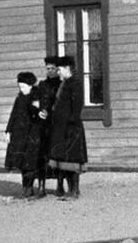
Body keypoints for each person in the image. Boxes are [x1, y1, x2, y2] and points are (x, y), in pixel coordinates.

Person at [46, 54, 88, 199]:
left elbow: (77, 106)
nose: (58, 72)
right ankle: (72, 190)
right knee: (65, 161)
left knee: (73, 160)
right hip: (62, 127)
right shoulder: (65, 83)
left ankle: (74, 191)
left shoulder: (74, 83)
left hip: (71, 127)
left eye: (59, 69)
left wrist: (71, 123)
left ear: (67, 68)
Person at [5, 71, 45, 197]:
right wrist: (8, 131)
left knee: (30, 161)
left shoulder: (36, 97)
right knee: (22, 162)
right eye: (20, 87)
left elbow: (38, 112)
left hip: (32, 134)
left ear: (30, 86)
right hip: (19, 134)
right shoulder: (19, 98)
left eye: (23, 87)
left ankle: (30, 187)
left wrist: (37, 111)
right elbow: (13, 115)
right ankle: (25, 187)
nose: (21, 89)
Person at [36, 55, 64, 197]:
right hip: (44, 126)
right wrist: (39, 112)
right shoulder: (42, 85)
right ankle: (42, 186)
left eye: (53, 68)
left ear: (58, 69)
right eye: (48, 68)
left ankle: (60, 185)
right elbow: (36, 102)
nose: (50, 71)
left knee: (58, 155)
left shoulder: (62, 85)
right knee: (43, 155)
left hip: (57, 124)